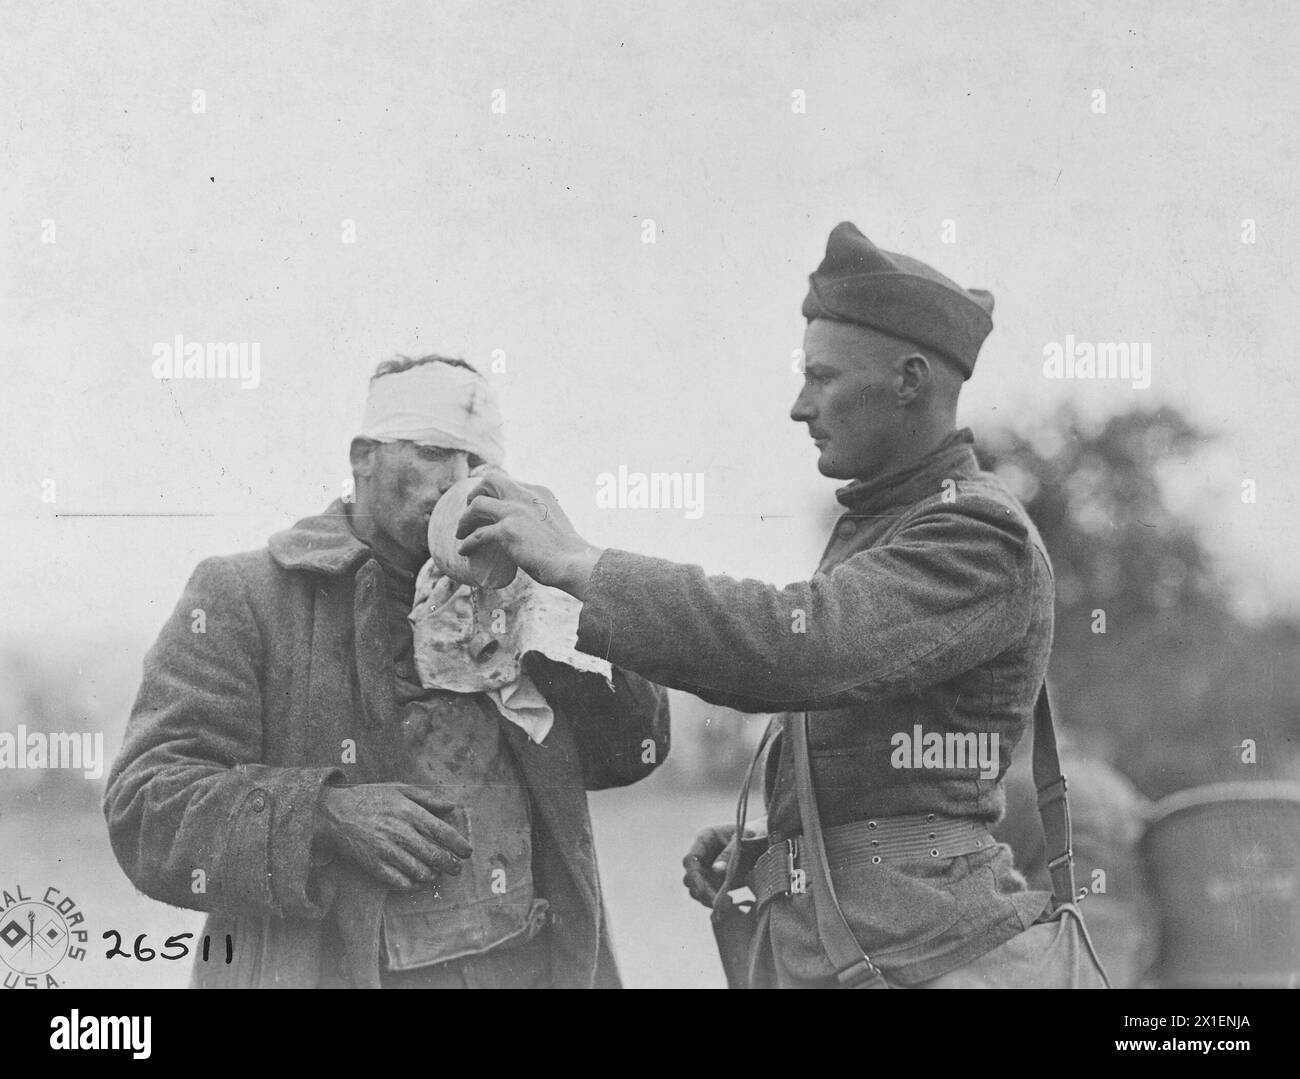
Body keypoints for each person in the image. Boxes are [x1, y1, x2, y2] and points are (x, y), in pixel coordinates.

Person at [456, 223, 1098, 987]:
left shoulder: (977, 532)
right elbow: (882, 764)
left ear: (910, 379)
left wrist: (582, 565)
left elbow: (802, 647)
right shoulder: (886, 525)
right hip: (869, 947)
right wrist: (781, 847)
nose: (800, 406)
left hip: (924, 954)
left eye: (822, 377)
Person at [103, 354, 670, 988]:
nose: (457, 480)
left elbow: (632, 754)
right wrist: (326, 816)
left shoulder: (518, 592)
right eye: (431, 451)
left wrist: (565, 595)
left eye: (478, 463)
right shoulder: (248, 595)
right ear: (362, 458)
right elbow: (146, 808)